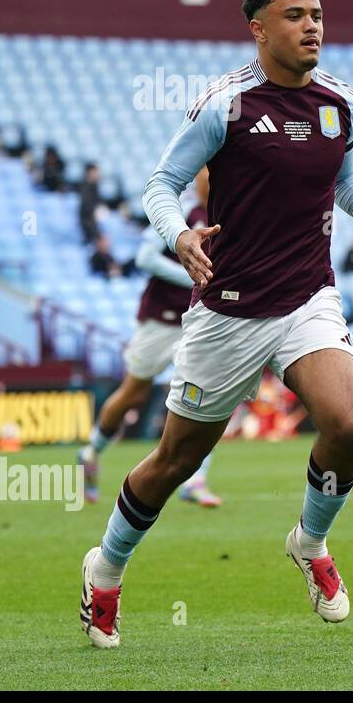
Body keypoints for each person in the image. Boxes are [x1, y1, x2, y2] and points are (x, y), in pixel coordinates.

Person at [79, 0, 353, 649]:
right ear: (259, 29)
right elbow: (162, 184)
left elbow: (345, 180)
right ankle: (106, 565)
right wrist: (180, 235)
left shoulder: (342, 103)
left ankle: (309, 540)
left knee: (346, 421)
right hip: (229, 311)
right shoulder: (228, 104)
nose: (312, 26)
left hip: (308, 295)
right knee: (173, 462)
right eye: (295, 15)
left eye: (318, 14)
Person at [78, 167, 220, 507]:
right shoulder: (181, 210)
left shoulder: (228, 211)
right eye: (209, 173)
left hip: (201, 317)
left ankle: (196, 479)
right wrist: (194, 277)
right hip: (164, 316)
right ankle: (90, 453)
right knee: (133, 391)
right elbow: (144, 257)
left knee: (214, 393)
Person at [79, 163, 102, 243]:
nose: (98, 174)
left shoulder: (95, 186)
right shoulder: (85, 187)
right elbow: (86, 207)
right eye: (95, 172)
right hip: (88, 221)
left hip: (93, 219)